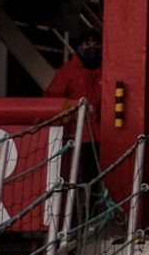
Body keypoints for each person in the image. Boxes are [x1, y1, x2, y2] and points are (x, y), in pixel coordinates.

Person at [45, 27, 108, 182]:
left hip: (101, 137)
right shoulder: (68, 72)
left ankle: (91, 204)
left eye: (96, 43)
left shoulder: (107, 70)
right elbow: (52, 100)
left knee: (95, 180)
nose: (92, 47)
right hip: (74, 136)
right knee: (71, 178)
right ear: (80, 46)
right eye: (88, 43)